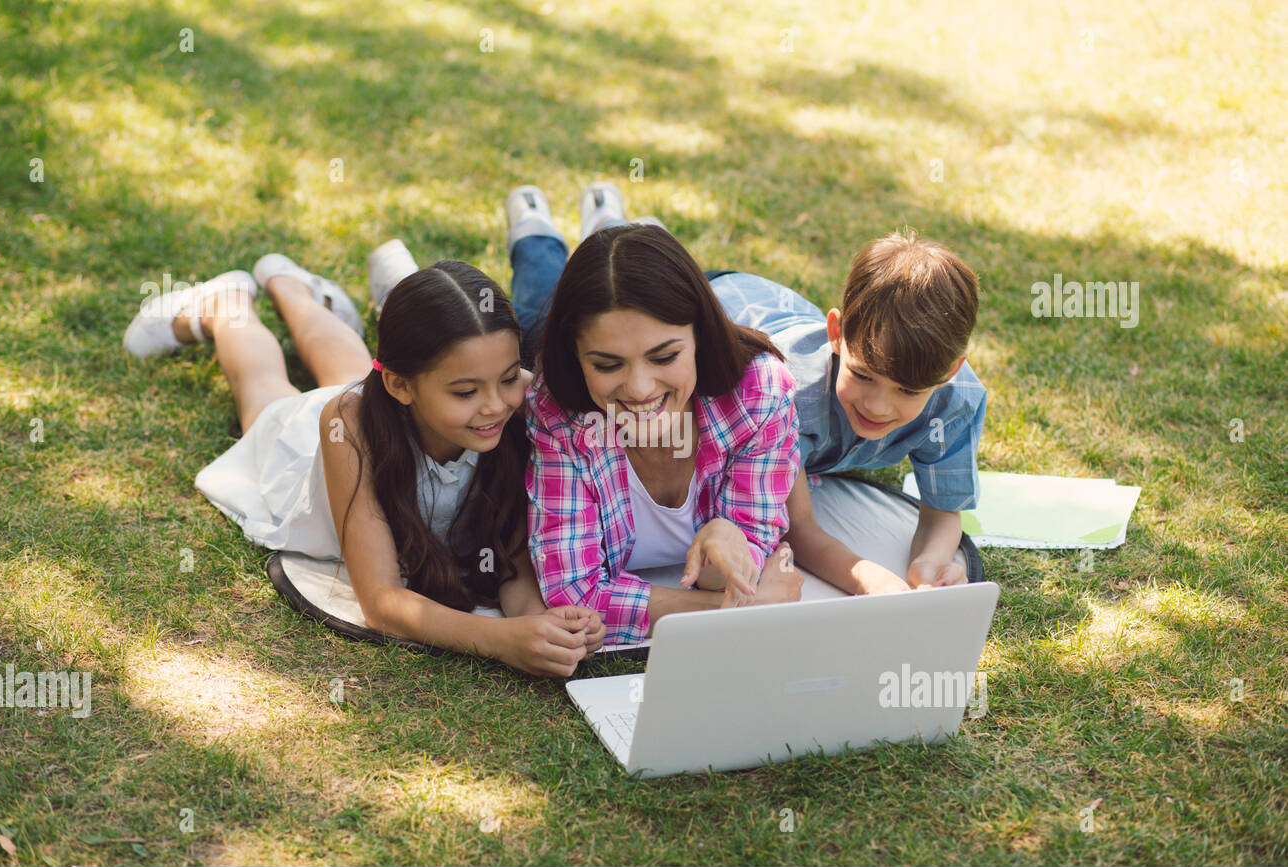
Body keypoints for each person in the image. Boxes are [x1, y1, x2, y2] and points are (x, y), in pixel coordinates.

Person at [122, 253, 603, 677]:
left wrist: (538, 623)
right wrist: (501, 641)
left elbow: (512, 561)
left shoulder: (508, 413)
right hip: (307, 448)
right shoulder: (350, 429)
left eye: (507, 379)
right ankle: (224, 305)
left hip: (384, 405)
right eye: (466, 391)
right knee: (264, 388)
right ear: (399, 385)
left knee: (347, 370)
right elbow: (381, 603)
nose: (496, 405)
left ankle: (290, 285)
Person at [505, 183, 805, 646]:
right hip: (541, 325)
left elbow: (739, 559)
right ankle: (532, 226)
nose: (640, 389)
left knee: (612, 261)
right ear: (576, 356)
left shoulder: (760, 395)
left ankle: (612, 225)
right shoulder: (556, 410)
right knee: (532, 292)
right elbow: (573, 593)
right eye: (607, 365)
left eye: (664, 357)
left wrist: (729, 552)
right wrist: (741, 608)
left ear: (701, 337)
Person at [711, 231, 987, 594]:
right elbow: (797, 527)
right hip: (721, 304)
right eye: (863, 375)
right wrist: (867, 579)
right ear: (836, 334)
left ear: (950, 371)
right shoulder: (783, 390)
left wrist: (930, 563)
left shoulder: (956, 400)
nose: (877, 406)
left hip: (781, 312)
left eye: (907, 390)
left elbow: (943, 511)